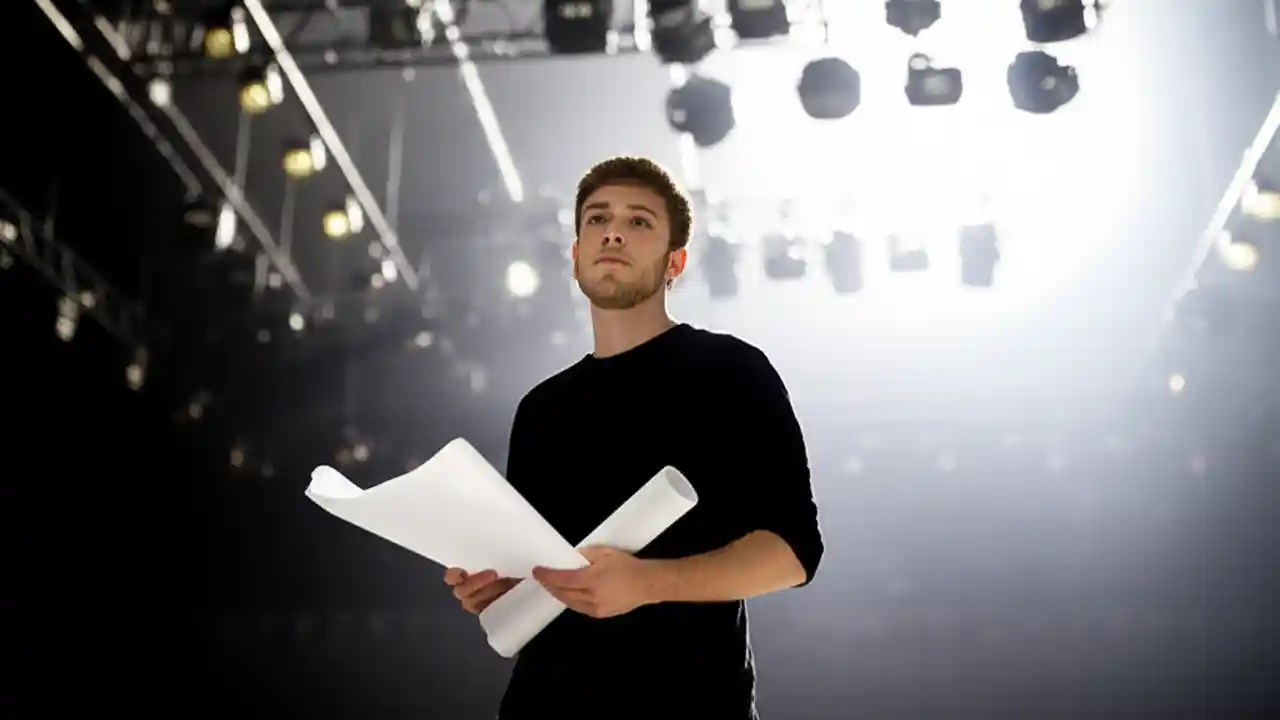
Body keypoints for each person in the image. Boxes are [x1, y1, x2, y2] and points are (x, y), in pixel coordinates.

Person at [443, 156, 824, 720]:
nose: (613, 230)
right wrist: (503, 592)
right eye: (596, 220)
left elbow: (793, 553)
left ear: (677, 262)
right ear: (575, 255)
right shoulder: (541, 409)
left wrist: (648, 582)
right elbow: (546, 578)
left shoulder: (731, 371)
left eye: (639, 221)